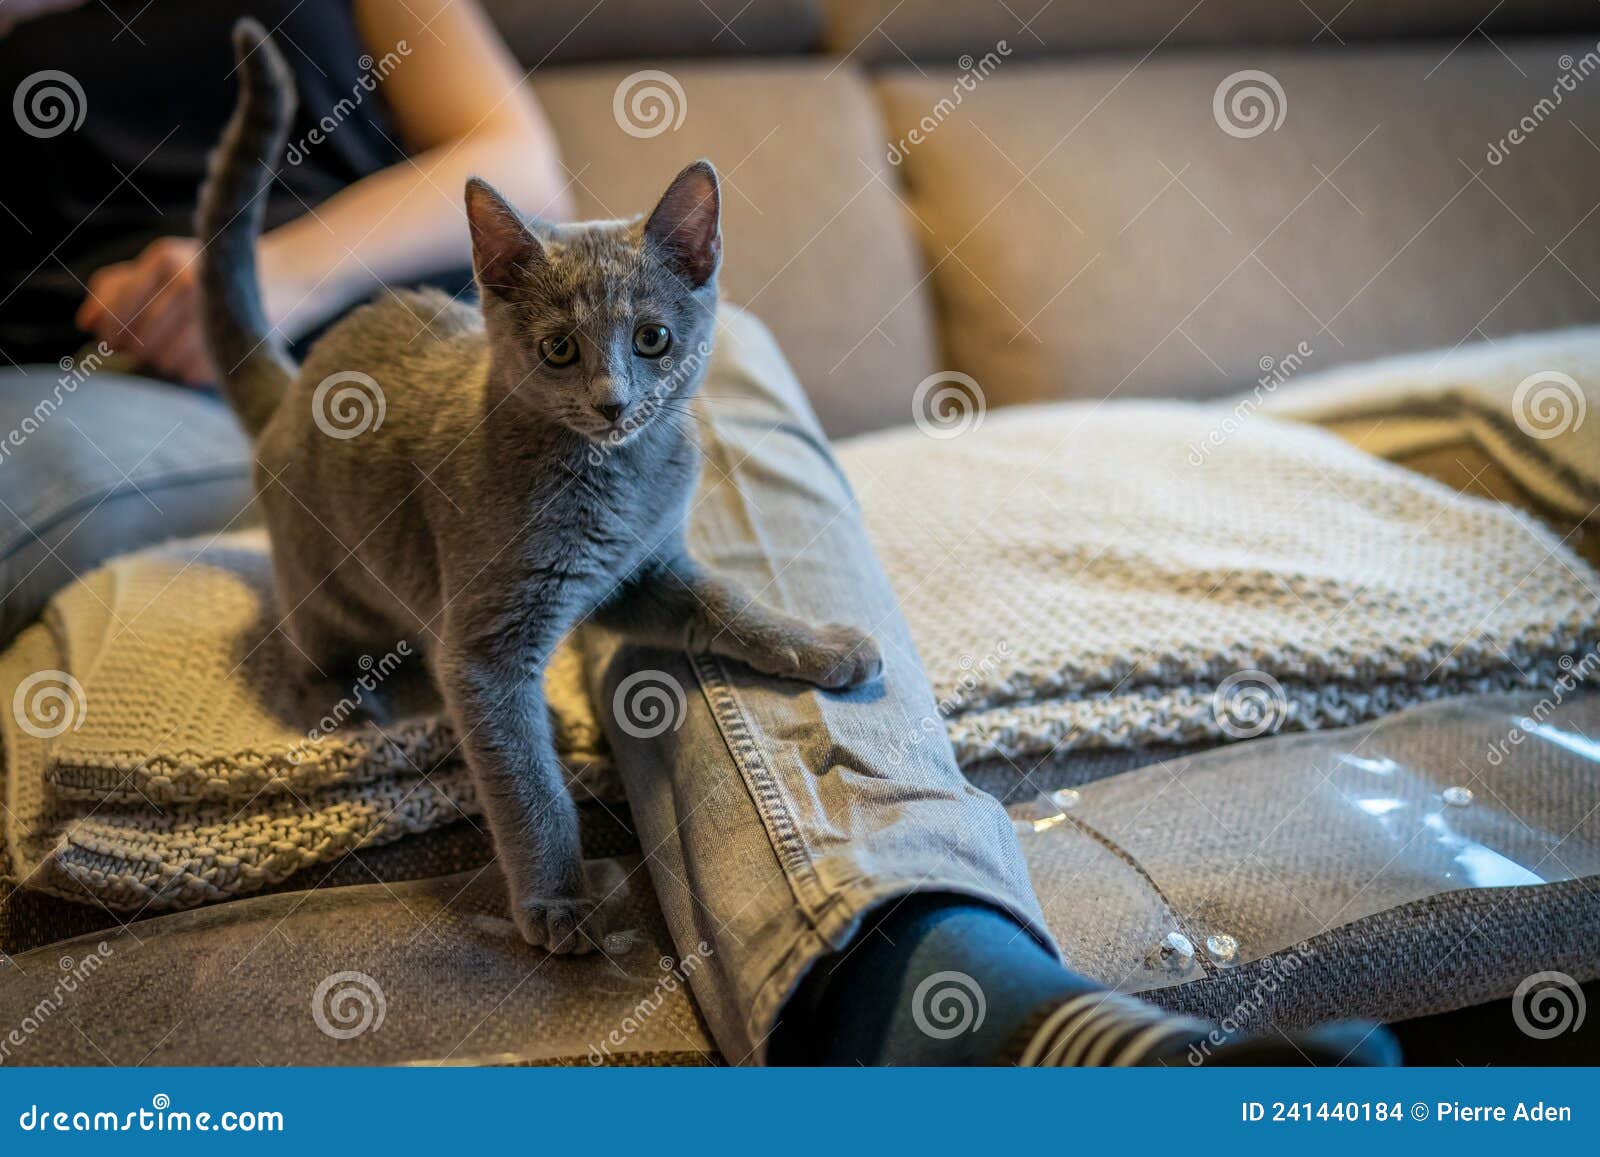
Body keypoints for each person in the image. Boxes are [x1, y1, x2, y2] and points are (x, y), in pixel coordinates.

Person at [0, 0, 1395, 1066]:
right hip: (113, 394)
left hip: (460, 306)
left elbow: (510, 155)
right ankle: (942, 1008)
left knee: (683, 472)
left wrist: (276, 270)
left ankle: (941, 967)